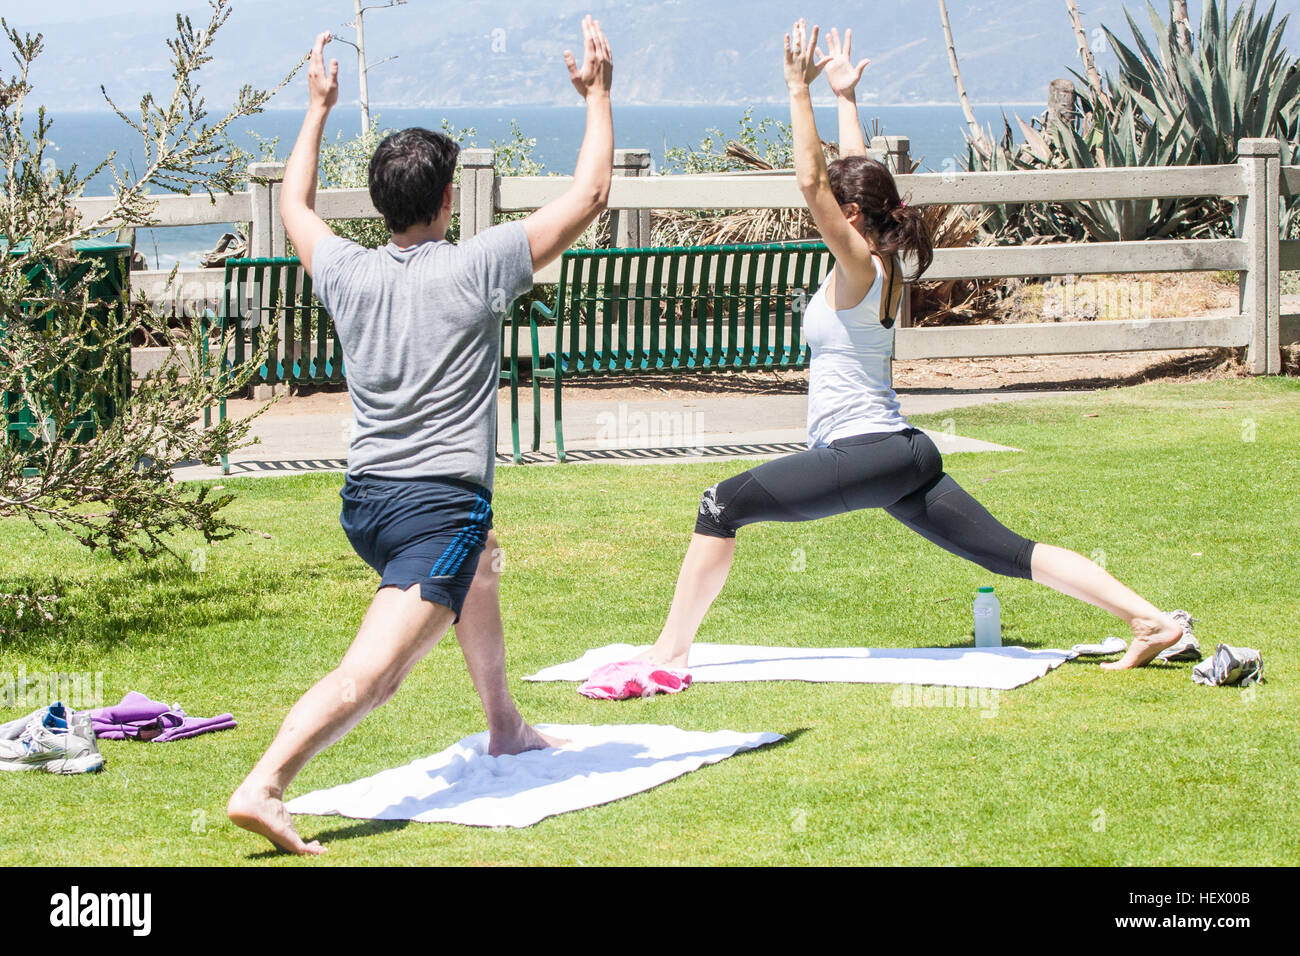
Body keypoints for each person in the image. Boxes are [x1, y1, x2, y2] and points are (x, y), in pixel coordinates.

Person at [587, 20, 1188, 699]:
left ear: (850, 217)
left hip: (867, 453)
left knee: (720, 505)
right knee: (1013, 554)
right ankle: (1148, 620)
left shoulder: (858, 267)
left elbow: (815, 183)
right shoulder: (883, 259)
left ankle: (669, 650)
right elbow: (856, 183)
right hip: (902, 455)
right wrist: (844, 98)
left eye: (838, 214)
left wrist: (797, 88)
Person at [229, 17, 616, 854]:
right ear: (447, 199)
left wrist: (317, 108)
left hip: (364, 503)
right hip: (435, 509)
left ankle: (505, 726)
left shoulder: (346, 270)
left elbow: (292, 203)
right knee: (377, 676)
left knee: (481, 568)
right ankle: (266, 783)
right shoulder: (477, 266)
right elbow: (588, 196)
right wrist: (599, 94)